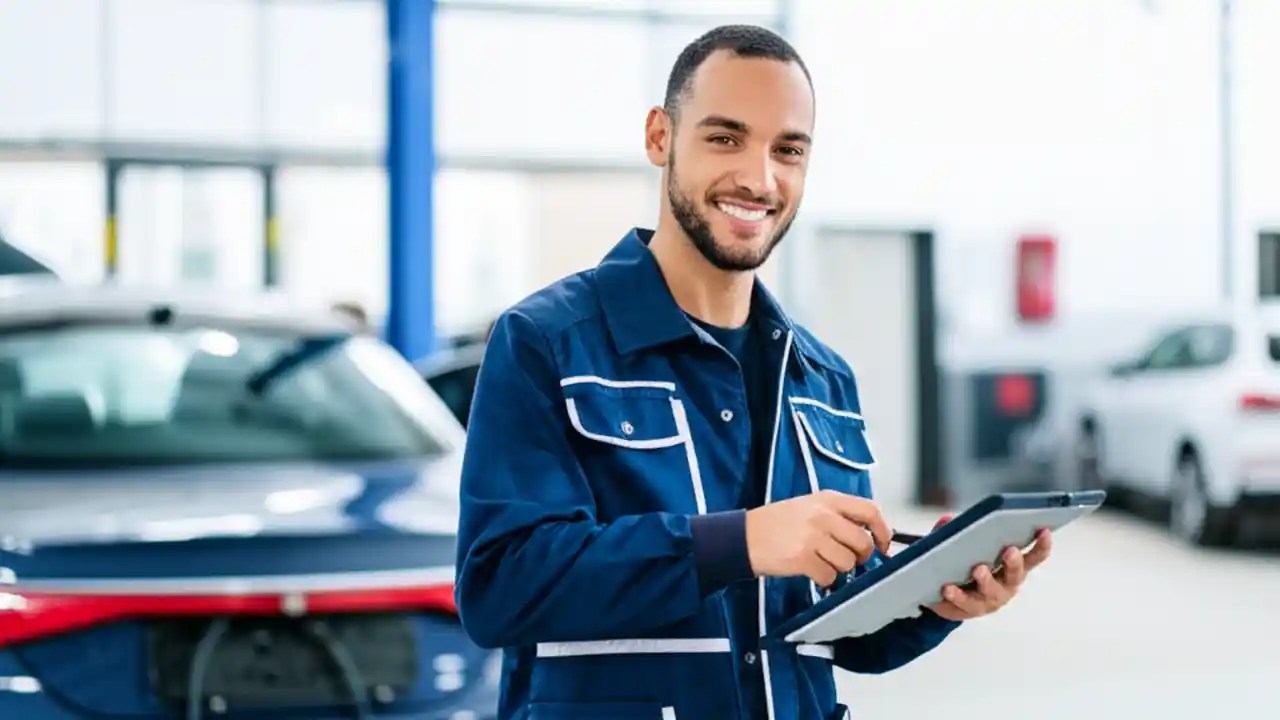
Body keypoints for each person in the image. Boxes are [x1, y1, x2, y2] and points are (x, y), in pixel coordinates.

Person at [454, 25, 1053, 720]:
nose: (759, 178)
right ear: (660, 138)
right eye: (725, 138)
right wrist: (738, 543)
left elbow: (837, 633)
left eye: (787, 150)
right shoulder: (544, 344)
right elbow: (501, 590)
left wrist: (942, 599)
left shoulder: (823, 379)